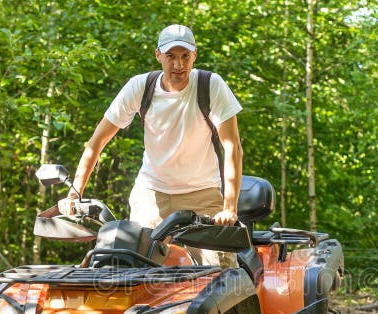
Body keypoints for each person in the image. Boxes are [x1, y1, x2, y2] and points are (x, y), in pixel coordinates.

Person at [59, 24, 243, 268]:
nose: (179, 65)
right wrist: (75, 192)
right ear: (158, 55)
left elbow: (233, 147)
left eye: (185, 56)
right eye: (171, 57)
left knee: (221, 275)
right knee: (130, 266)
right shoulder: (140, 87)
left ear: (194, 55)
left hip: (201, 193)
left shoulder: (210, 85)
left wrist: (229, 208)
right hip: (152, 193)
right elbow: (98, 141)